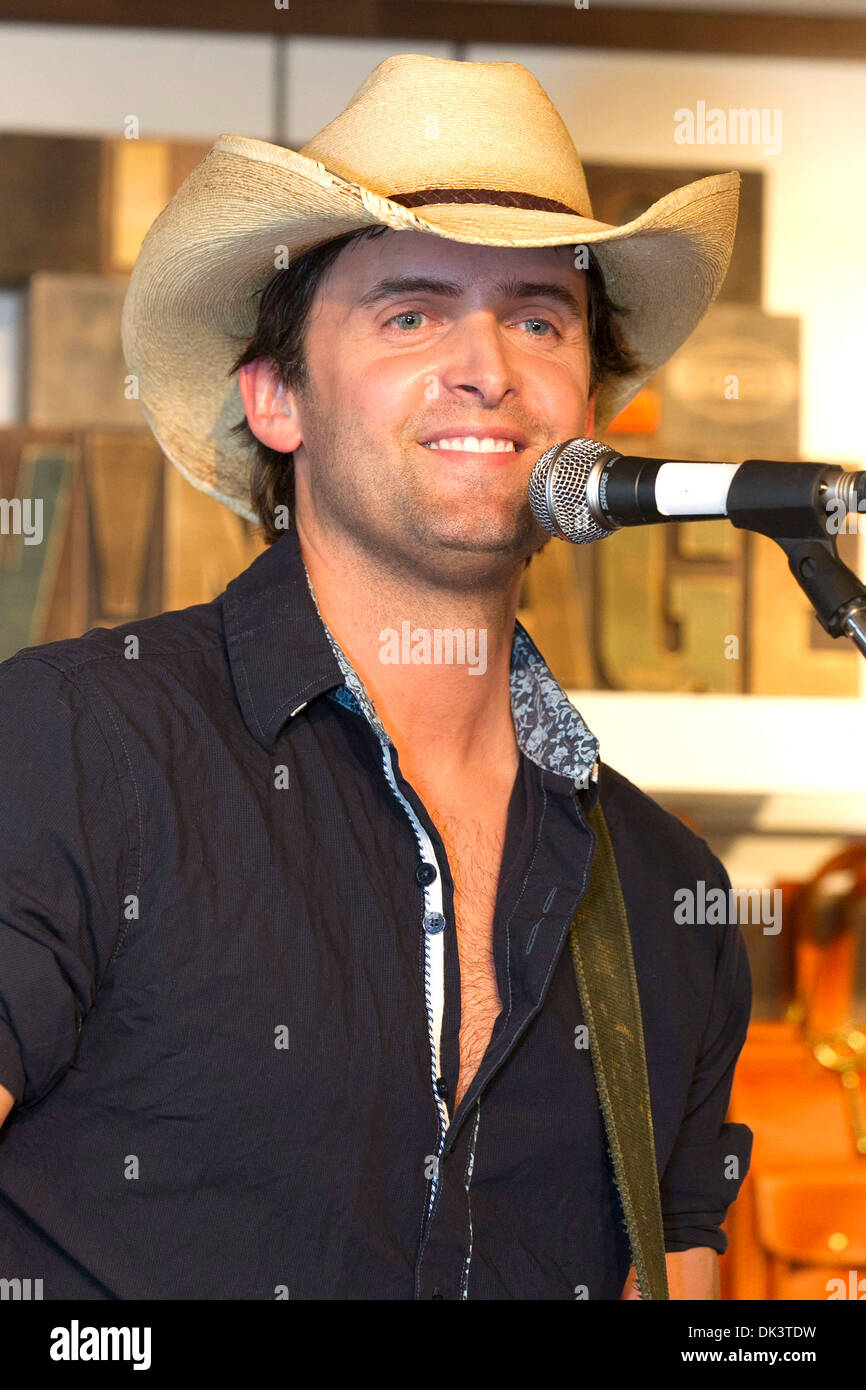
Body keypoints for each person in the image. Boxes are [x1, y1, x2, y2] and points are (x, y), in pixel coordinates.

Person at [0, 53, 752, 1300]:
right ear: (276, 397)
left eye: (537, 317)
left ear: (590, 409)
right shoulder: (73, 745)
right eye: (410, 313)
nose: (487, 366)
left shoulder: (671, 892)